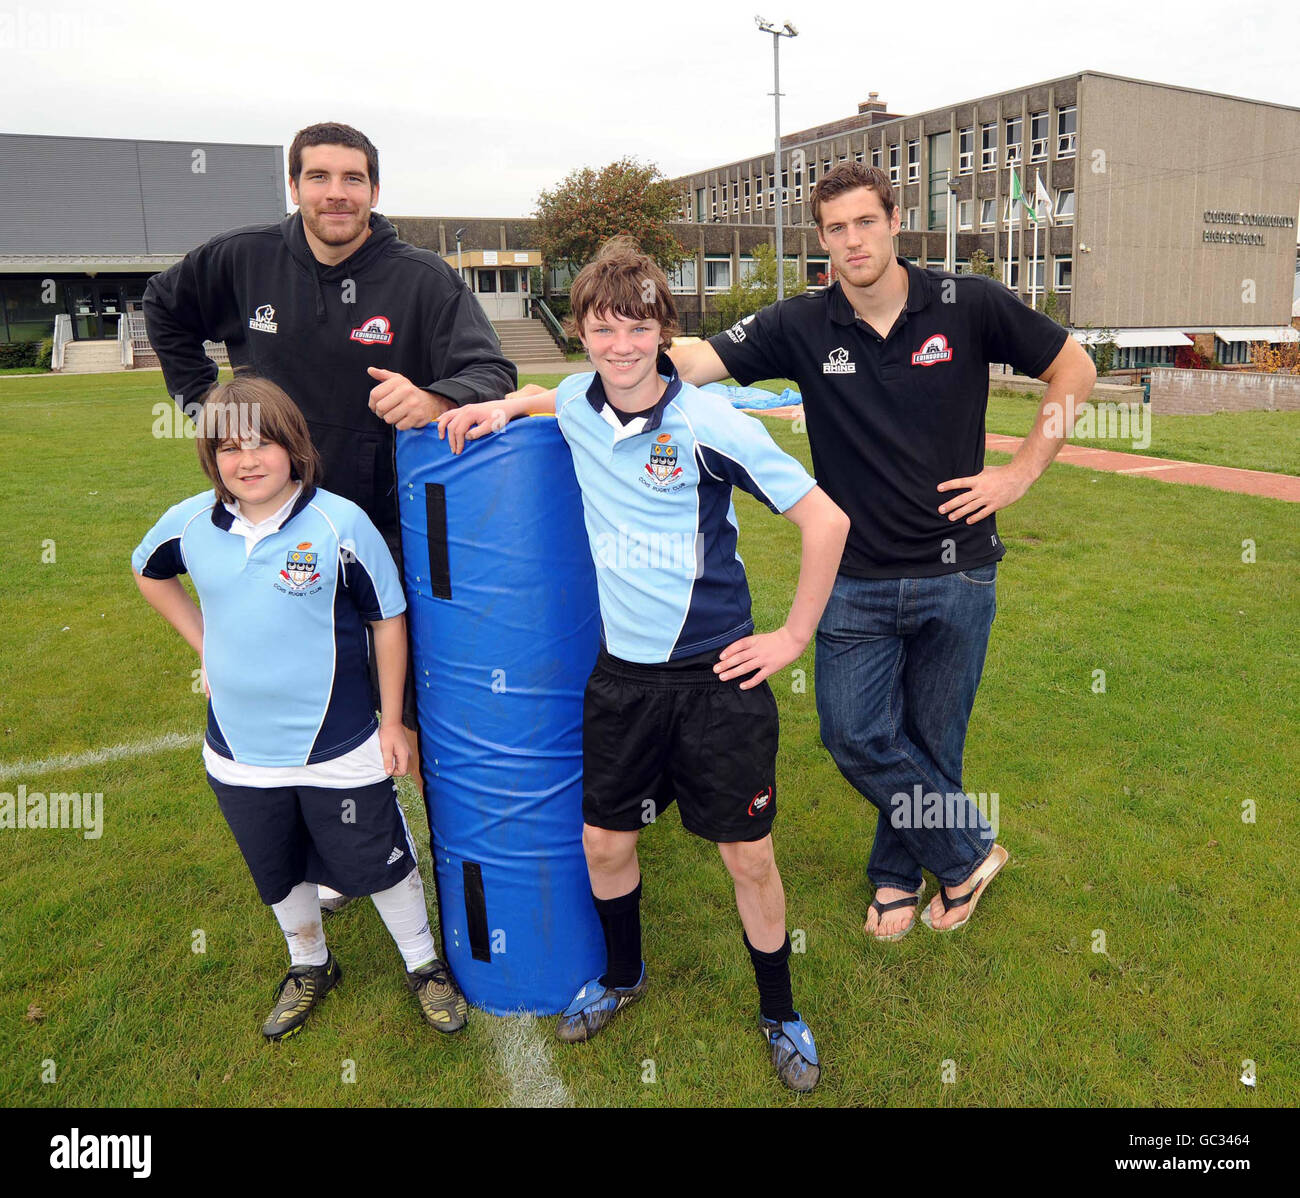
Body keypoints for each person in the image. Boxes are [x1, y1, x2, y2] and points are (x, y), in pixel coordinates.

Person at [438, 238, 849, 1092]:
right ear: (581, 334)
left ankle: (779, 1010)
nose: (620, 346)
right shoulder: (580, 404)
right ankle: (625, 976)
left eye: (637, 328)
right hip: (622, 680)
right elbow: (556, 398)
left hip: (716, 683)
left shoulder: (707, 420)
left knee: (748, 858)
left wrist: (790, 638)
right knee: (604, 843)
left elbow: (827, 521)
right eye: (601, 328)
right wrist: (505, 408)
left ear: (664, 329)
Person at [669, 163, 1097, 939]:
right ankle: (968, 852)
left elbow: (1075, 365)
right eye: (835, 228)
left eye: (865, 222)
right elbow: (695, 364)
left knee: (932, 742)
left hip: (959, 573)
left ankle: (898, 878)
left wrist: (1021, 472)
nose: (852, 240)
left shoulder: (967, 304)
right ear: (822, 238)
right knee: (854, 733)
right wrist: (621, 346)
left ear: (895, 220)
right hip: (854, 580)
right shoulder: (802, 323)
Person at [143, 122, 518, 863]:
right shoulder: (242, 259)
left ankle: (461, 858)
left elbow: (491, 373)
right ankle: (340, 863)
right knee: (307, 701)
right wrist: (204, 406)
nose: (336, 193)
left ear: (375, 191)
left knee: (413, 703)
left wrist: (436, 398)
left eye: (353, 179)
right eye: (319, 177)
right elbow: (165, 306)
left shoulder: (421, 279)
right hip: (277, 525)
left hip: (388, 531)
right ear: (294, 186)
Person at [131, 374, 469, 1040]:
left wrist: (393, 721)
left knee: (382, 860)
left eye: (261, 444)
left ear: (293, 446)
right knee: (276, 862)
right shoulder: (192, 523)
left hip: (340, 747)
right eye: (228, 449)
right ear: (211, 458)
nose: (246, 461)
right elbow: (148, 570)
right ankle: (310, 963)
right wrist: (207, 645)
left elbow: (389, 619)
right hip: (238, 752)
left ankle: (424, 964)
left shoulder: (338, 523)